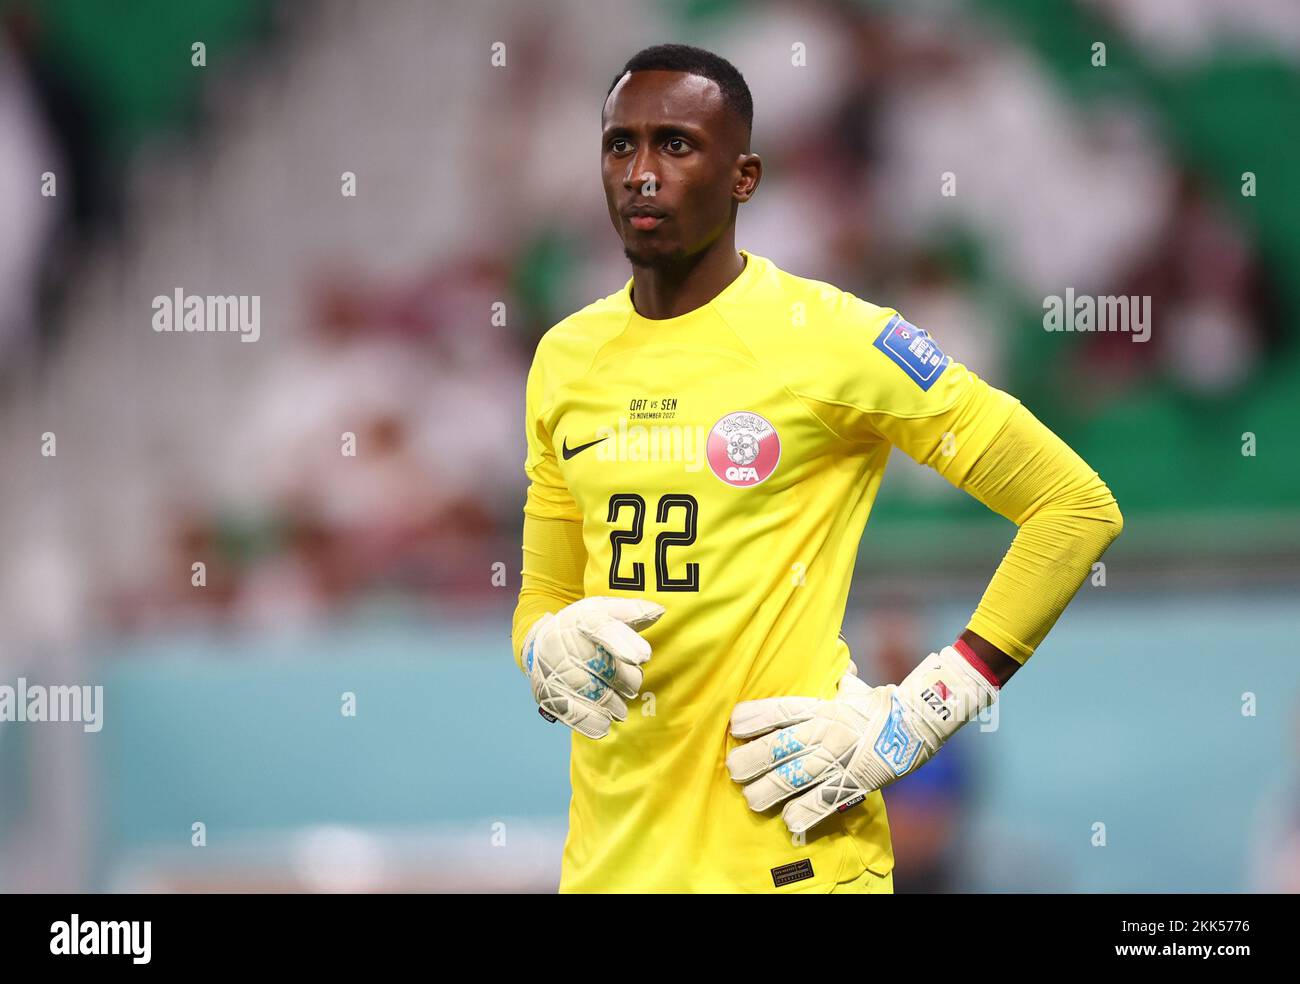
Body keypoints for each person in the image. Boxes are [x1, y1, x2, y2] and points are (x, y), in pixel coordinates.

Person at [510, 44, 1123, 893]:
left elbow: (1072, 506)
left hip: (792, 859)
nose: (642, 173)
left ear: (744, 176)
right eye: (622, 145)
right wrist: (543, 645)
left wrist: (920, 712)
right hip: (610, 868)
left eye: (677, 145)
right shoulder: (564, 361)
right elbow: (544, 596)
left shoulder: (835, 339)